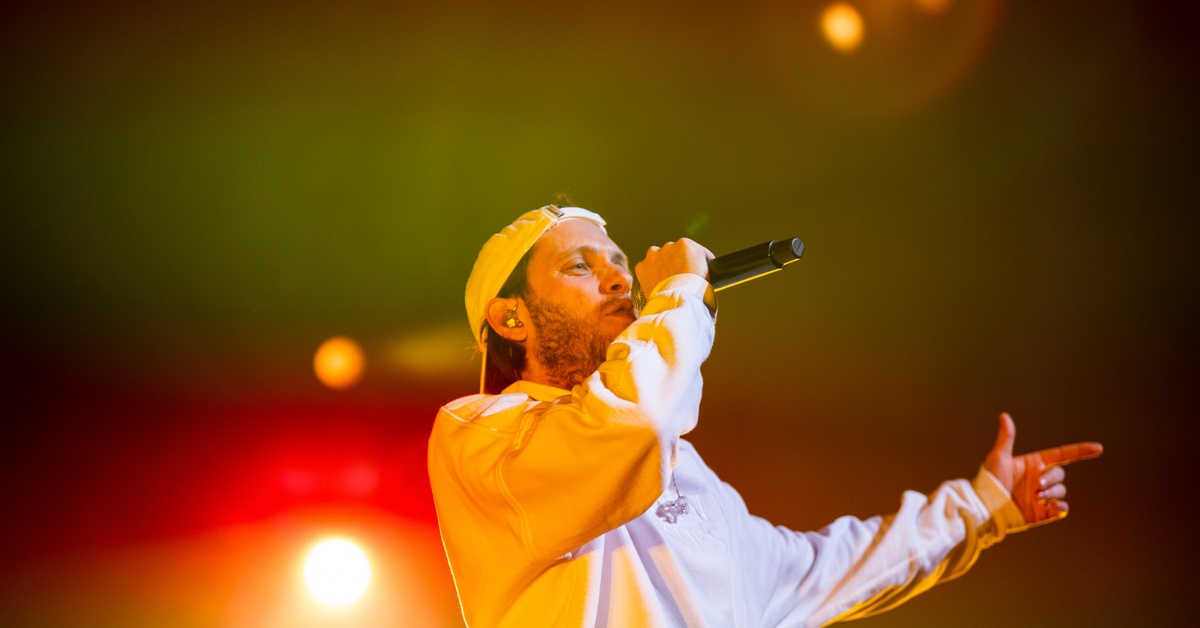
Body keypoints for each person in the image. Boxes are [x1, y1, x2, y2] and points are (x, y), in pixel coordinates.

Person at [427, 205, 1103, 627]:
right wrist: (685, 292)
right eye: (580, 266)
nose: (617, 280)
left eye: (617, 266)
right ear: (510, 316)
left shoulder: (684, 477)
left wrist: (982, 506)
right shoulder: (483, 436)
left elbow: (821, 572)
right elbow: (634, 422)